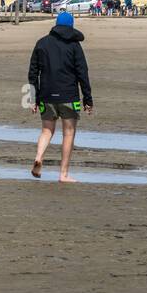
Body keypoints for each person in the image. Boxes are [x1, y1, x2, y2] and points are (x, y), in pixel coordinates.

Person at [28, 11, 94, 183]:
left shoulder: (42, 43)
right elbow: (82, 73)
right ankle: (63, 174)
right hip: (68, 95)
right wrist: (88, 99)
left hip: (46, 96)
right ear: (71, 26)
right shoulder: (74, 46)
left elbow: (33, 73)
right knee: (68, 133)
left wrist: (33, 98)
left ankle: (39, 156)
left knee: (46, 130)